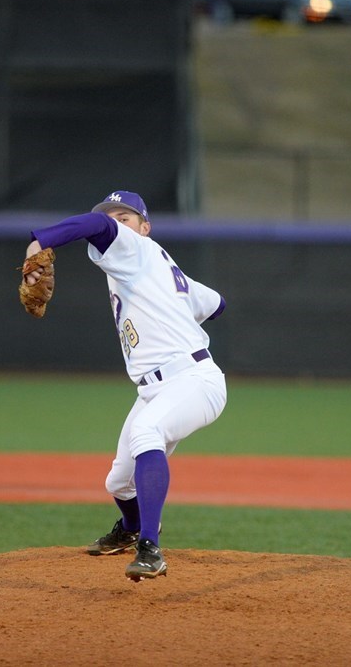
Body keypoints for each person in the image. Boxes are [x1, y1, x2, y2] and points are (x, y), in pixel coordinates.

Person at [23, 190, 227, 582]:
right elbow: (217, 304)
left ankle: (150, 548)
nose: (117, 223)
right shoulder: (160, 268)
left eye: (126, 218)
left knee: (147, 432)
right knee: (118, 481)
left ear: (144, 229)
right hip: (154, 387)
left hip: (193, 380)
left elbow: (95, 225)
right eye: (113, 216)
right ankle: (131, 528)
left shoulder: (134, 249)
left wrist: (40, 241)